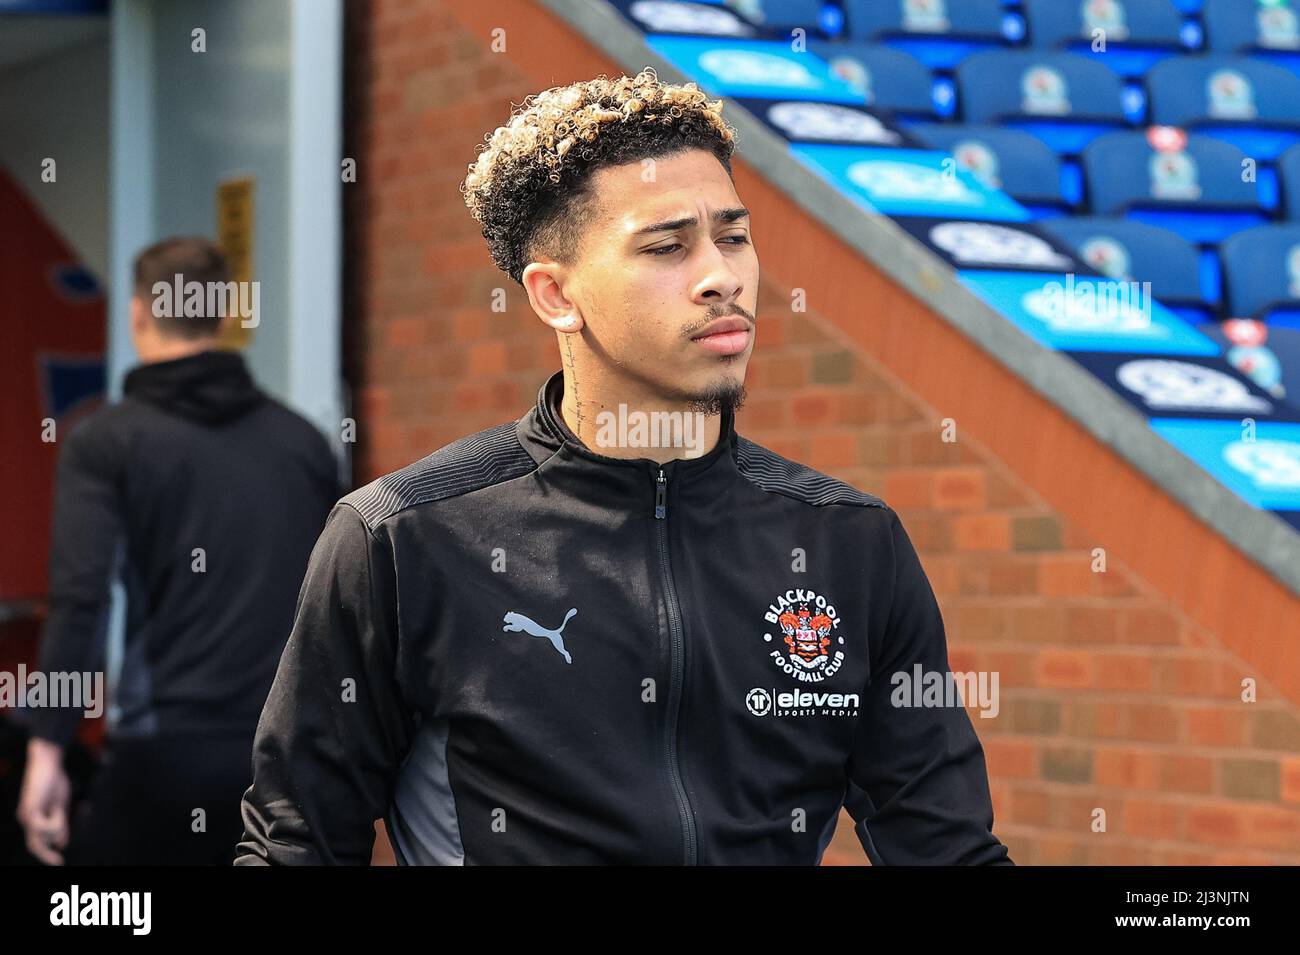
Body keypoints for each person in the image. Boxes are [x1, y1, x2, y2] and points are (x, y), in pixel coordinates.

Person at [235, 68, 1012, 865]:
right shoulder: (401, 538)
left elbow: (945, 847)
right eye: (667, 246)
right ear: (554, 295)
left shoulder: (852, 542)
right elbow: (297, 847)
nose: (722, 276)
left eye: (734, 236)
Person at [16, 236, 341, 865]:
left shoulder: (106, 442)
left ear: (138, 313)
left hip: (164, 755)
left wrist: (47, 749)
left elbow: (82, 600)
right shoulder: (304, 443)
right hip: (287, 761)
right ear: (224, 316)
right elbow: (340, 602)